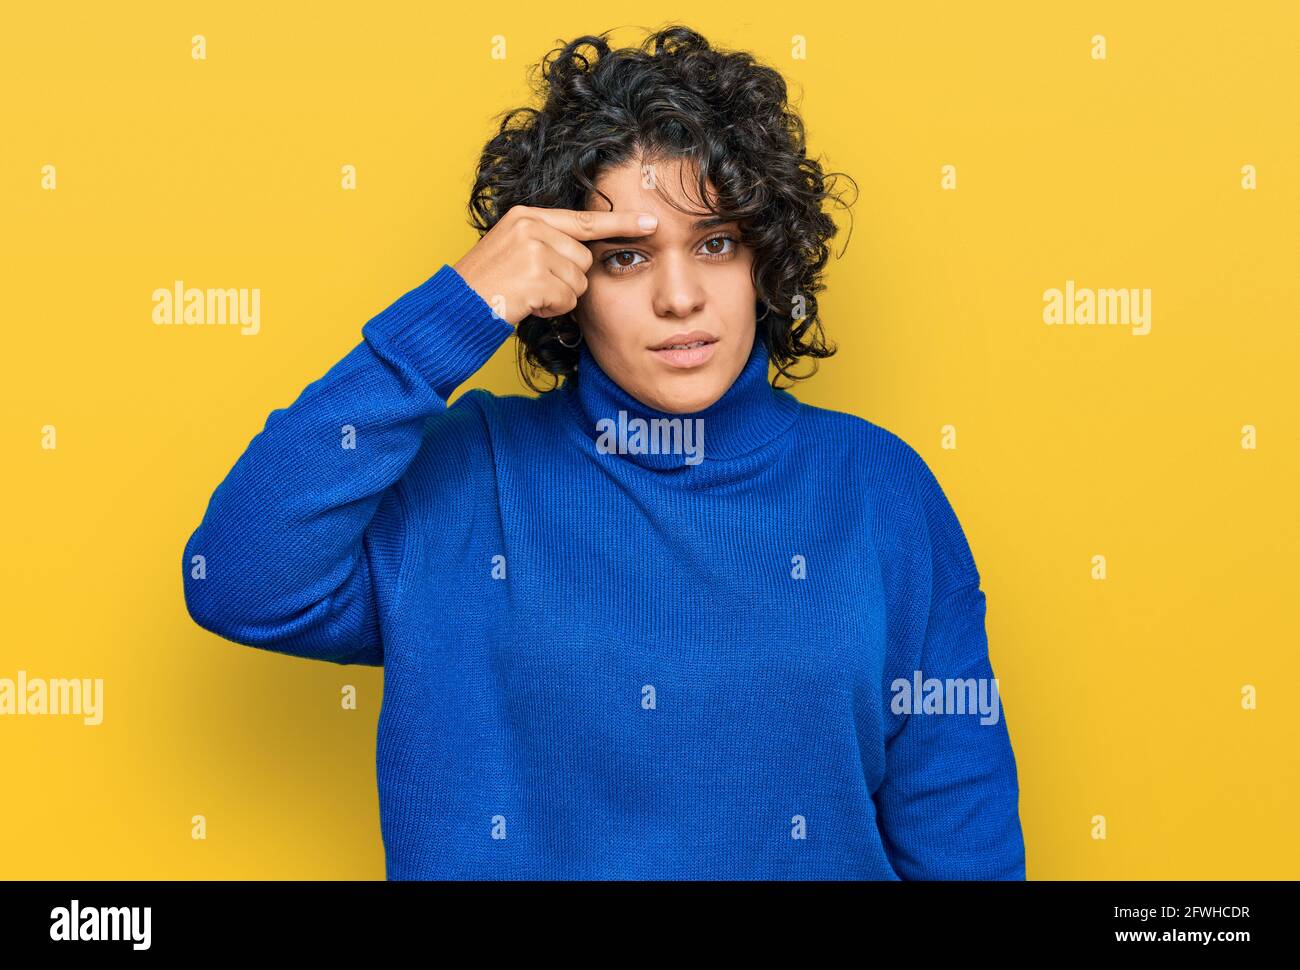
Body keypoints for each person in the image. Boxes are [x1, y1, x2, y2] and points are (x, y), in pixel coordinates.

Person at [182, 24, 1026, 880]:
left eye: (717, 244)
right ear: (565, 283)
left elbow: (962, 834)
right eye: (626, 257)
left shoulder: (879, 488)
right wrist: (453, 314)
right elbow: (239, 578)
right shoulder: (463, 478)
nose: (681, 297)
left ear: (763, 261)